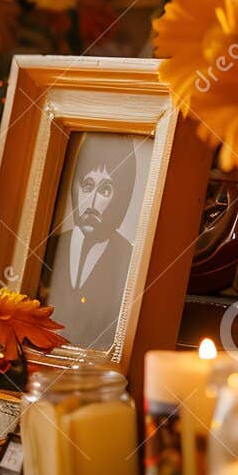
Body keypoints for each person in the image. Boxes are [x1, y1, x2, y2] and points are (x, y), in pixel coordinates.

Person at [46, 137, 140, 351]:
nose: (92, 204)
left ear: (122, 197)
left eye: (105, 190)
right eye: (87, 186)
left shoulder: (130, 260)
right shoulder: (47, 247)